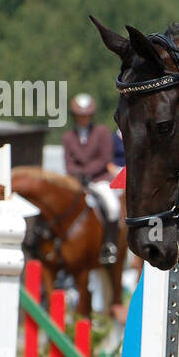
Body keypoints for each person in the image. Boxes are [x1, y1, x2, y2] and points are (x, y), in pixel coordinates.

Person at [62, 93, 120, 264]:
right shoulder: (68, 137)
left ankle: (110, 245)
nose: (84, 119)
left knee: (113, 207)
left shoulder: (102, 132)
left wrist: (86, 173)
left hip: (99, 179)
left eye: (87, 116)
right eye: (80, 116)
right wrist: (78, 176)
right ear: (75, 116)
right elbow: (69, 163)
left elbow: (104, 159)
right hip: (77, 182)